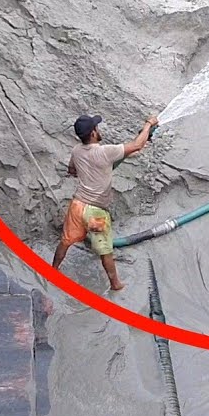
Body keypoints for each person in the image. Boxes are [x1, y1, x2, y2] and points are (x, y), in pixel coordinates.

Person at [53, 113, 159, 291]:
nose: (98, 129)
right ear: (93, 133)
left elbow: (72, 170)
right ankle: (115, 284)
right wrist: (149, 124)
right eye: (96, 127)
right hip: (95, 211)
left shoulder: (77, 150)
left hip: (77, 205)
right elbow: (137, 145)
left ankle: (53, 270)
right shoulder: (105, 152)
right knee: (105, 249)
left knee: (65, 241)